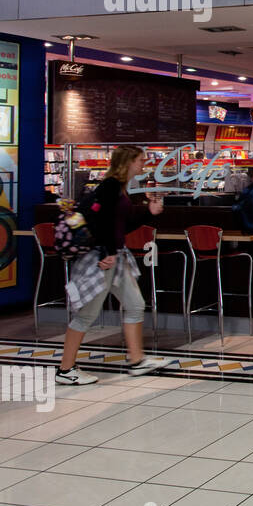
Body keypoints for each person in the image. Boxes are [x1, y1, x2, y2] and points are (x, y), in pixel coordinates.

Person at [56, 145, 172, 385]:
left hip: (114, 256)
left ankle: (137, 361)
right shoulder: (110, 187)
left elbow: (122, 225)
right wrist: (107, 251)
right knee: (86, 314)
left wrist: (149, 212)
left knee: (135, 304)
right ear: (128, 162)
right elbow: (102, 223)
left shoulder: (118, 188)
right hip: (103, 258)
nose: (144, 165)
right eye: (141, 160)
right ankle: (66, 369)